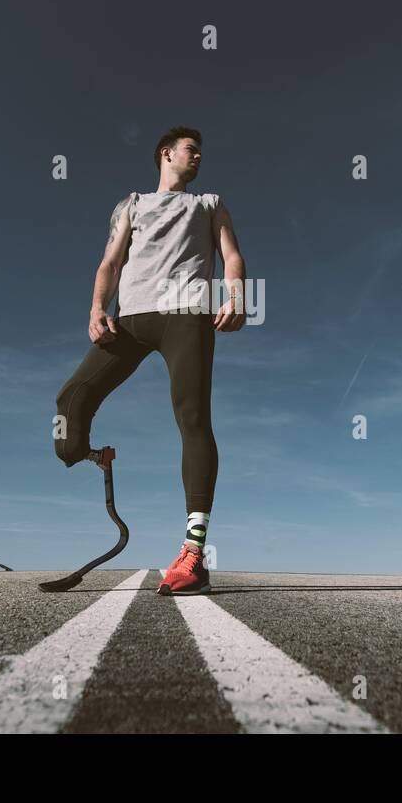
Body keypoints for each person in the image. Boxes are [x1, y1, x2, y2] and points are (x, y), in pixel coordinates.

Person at [54, 126, 247, 595]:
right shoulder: (132, 204)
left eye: (202, 152)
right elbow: (111, 263)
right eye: (191, 150)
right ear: (166, 153)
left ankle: (193, 553)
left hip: (187, 316)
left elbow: (231, 255)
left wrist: (236, 295)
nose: (198, 157)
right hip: (132, 320)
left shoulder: (209, 203)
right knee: (70, 403)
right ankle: (90, 455)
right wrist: (98, 308)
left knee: (193, 418)